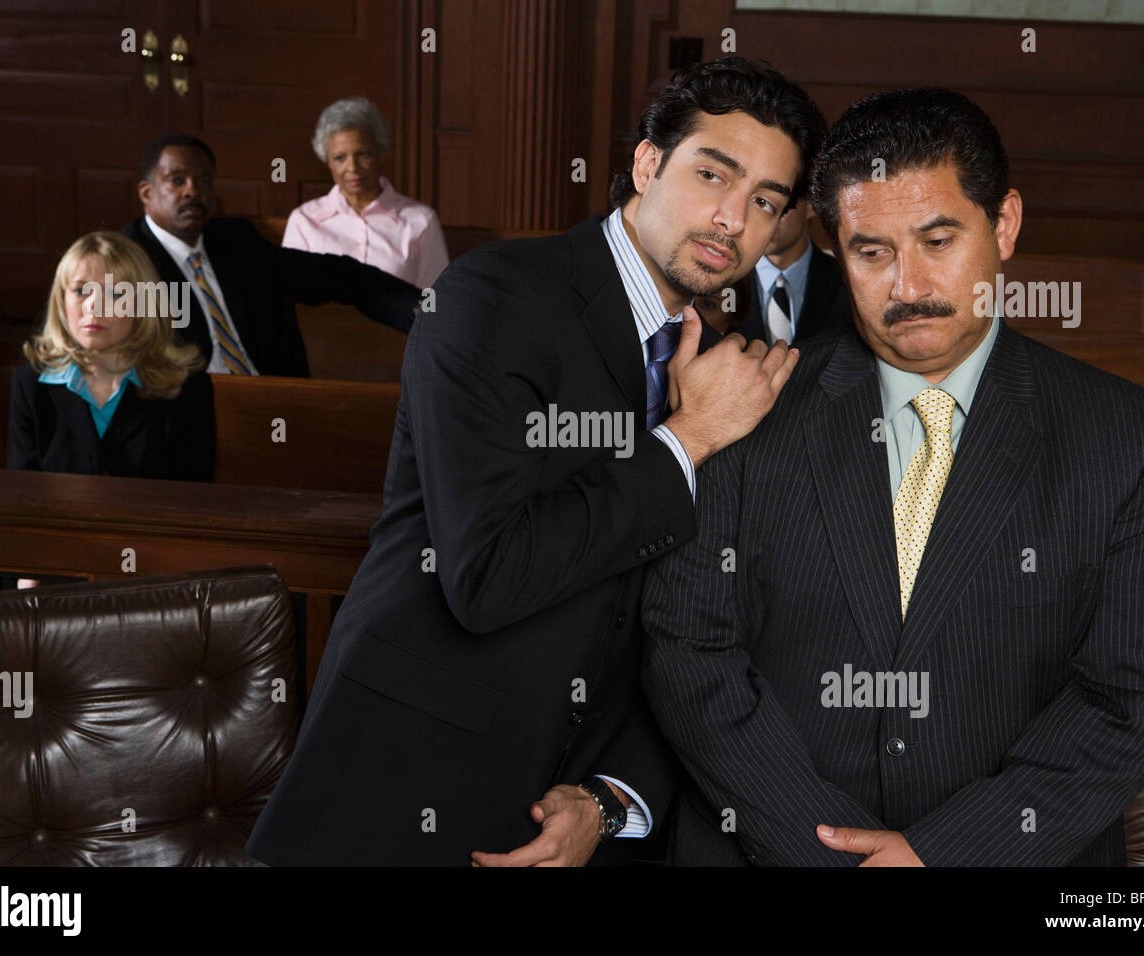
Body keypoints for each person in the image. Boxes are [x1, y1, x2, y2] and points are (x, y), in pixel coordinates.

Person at [247, 56, 822, 866]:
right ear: (647, 163)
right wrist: (686, 441)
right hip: (403, 792)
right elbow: (487, 576)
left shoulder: (724, 369)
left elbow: (691, 633)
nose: (733, 218)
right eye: (712, 174)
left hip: (580, 815)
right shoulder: (494, 298)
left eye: (764, 201)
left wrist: (610, 797)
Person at [642, 88, 1144, 867]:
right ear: (836, 248)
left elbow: (1130, 696)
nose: (907, 287)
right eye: (872, 252)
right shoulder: (743, 406)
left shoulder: (1127, 437)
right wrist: (833, 856)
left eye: (938, 241)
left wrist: (944, 854)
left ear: (1002, 226)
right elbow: (689, 650)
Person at [123, 134, 421, 378]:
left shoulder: (236, 242)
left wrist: (421, 311)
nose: (193, 192)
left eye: (203, 182)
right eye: (177, 181)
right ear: (147, 193)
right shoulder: (126, 261)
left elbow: (336, 274)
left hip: (272, 405)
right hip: (183, 419)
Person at [9, 230, 215, 483]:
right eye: (81, 290)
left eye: (115, 294)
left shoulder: (187, 387)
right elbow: (24, 490)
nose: (93, 306)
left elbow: (191, 497)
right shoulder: (30, 383)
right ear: (62, 301)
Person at [282, 97, 449, 291]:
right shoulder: (303, 221)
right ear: (327, 161)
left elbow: (435, 299)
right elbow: (289, 294)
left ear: (380, 152)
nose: (352, 167)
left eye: (363, 154)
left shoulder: (421, 221)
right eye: (339, 158)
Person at [733, 198, 852, 343]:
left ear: (811, 204)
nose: (765, 215)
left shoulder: (849, 282)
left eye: (777, 201)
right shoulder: (721, 283)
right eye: (759, 201)